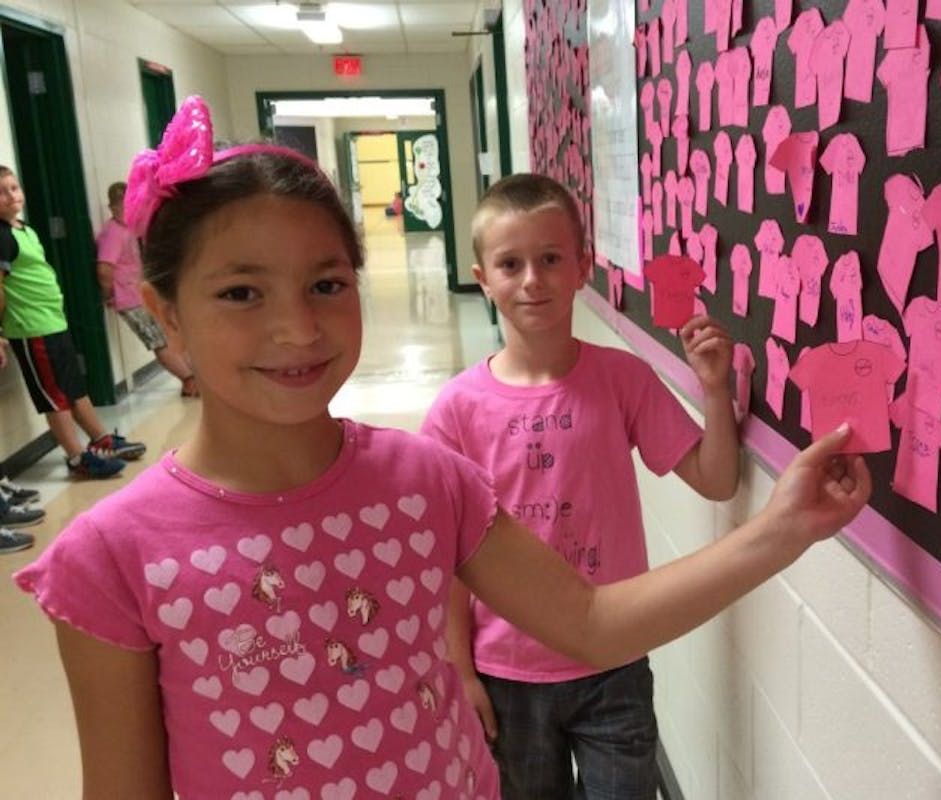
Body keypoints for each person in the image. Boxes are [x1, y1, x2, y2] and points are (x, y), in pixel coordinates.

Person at [13, 96, 871, 799]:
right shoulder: (111, 557)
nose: (297, 327)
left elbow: (592, 622)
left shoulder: (425, 481)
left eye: (326, 284)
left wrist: (784, 525)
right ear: (167, 315)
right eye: (241, 291)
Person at [421, 173, 738, 799]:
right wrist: (459, 670)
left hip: (613, 666)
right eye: (510, 264)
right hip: (507, 673)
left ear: (582, 268)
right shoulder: (456, 412)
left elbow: (718, 480)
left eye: (550, 259)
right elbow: (448, 562)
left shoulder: (623, 379)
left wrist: (715, 391)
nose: (532, 280)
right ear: (482, 278)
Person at [0, 168, 144, 478]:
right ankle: (77, 458)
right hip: (30, 329)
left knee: (74, 387)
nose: (12, 195)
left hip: (53, 322)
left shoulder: (25, 230)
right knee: (56, 397)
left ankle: (101, 440)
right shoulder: (1, 237)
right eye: (3, 192)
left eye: (14, 187)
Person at [96, 181, 198, 397]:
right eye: (119, 206)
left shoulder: (130, 229)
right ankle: (189, 380)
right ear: (111, 208)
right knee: (157, 342)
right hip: (129, 299)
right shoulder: (113, 233)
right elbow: (105, 269)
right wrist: (107, 295)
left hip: (140, 293)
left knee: (167, 336)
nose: (124, 210)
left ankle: (193, 377)